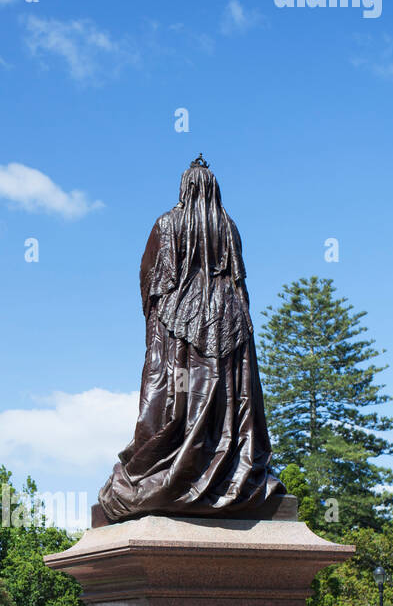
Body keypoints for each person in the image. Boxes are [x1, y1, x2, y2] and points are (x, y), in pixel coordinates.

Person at [98, 156, 284, 520]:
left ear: (184, 189)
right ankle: (223, 469)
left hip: (179, 322)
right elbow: (240, 284)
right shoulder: (229, 227)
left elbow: (151, 281)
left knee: (177, 399)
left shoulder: (167, 223)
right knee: (225, 401)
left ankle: (174, 472)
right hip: (229, 321)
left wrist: (162, 322)